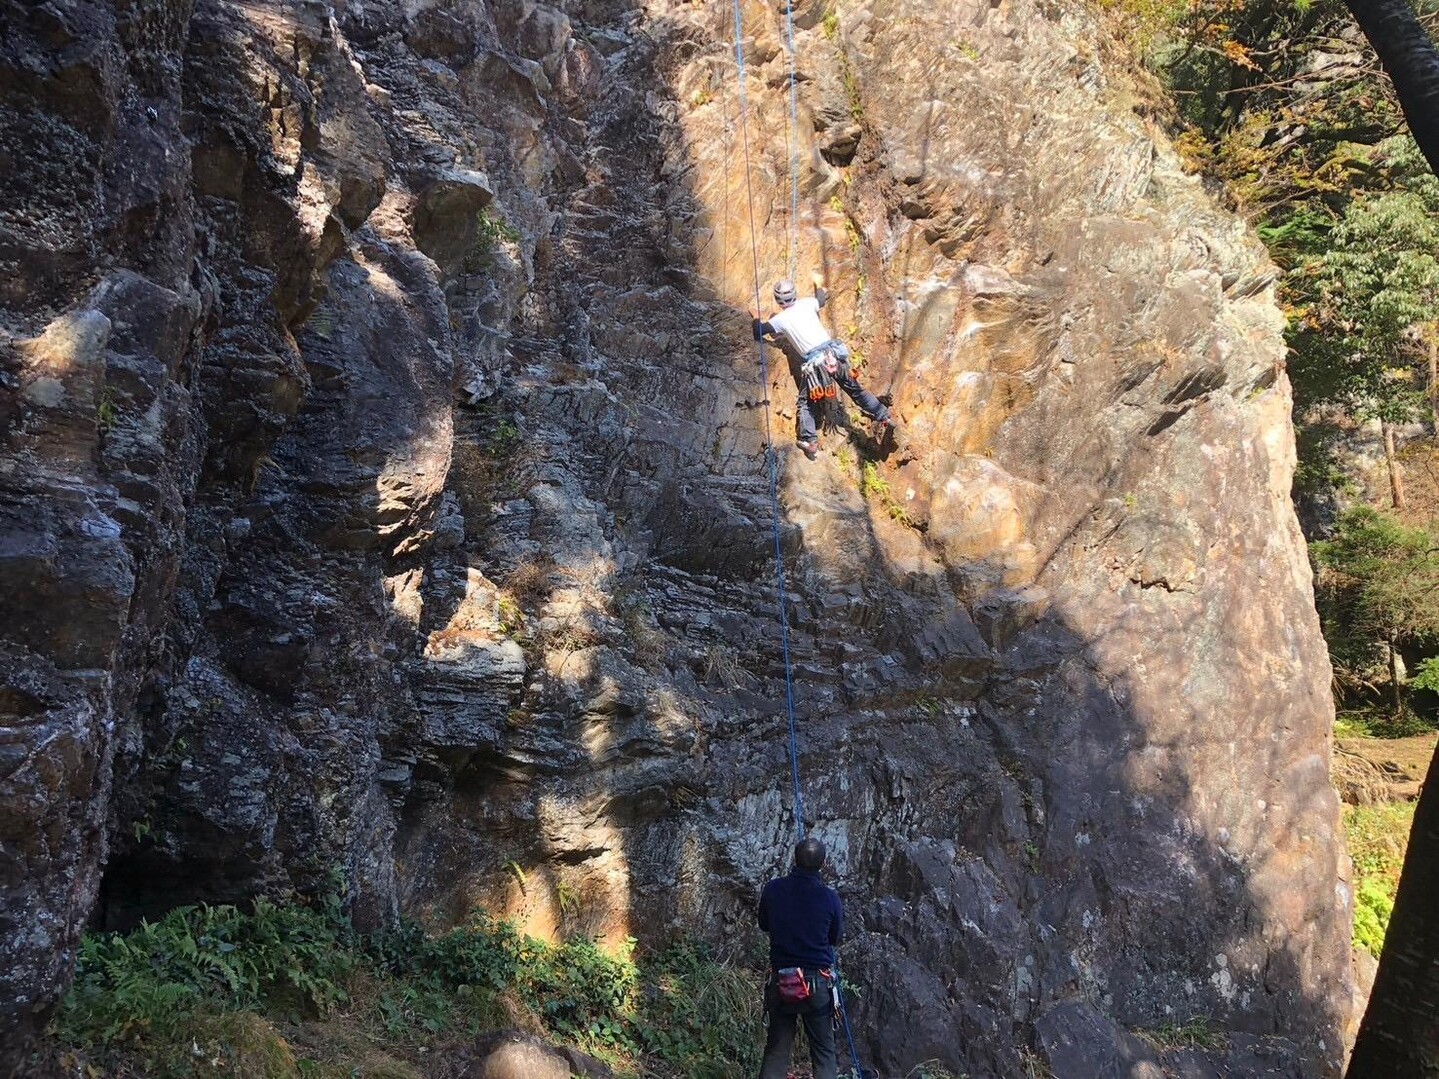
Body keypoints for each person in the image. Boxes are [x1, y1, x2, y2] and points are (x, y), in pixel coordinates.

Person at [753, 277, 892, 460]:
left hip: (816, 365)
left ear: (778, 300)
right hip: (834, 355)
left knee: (806, 403)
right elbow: (821, 298)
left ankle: (809, 440)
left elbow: (759, 332)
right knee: (855, 390)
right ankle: (883, 415)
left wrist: (755, 317)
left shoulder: (781, 320)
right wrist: (818, 283)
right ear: (795, 294)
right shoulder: (808, 304)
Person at [756, 836, 843, 1079]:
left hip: (782, 980)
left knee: (776, 1050)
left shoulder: (773, 889)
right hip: (817, 982)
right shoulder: (829, 898)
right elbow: (835, 937)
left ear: (793, 859)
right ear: (823, 864)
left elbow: (764, 924)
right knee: (824, 1052)